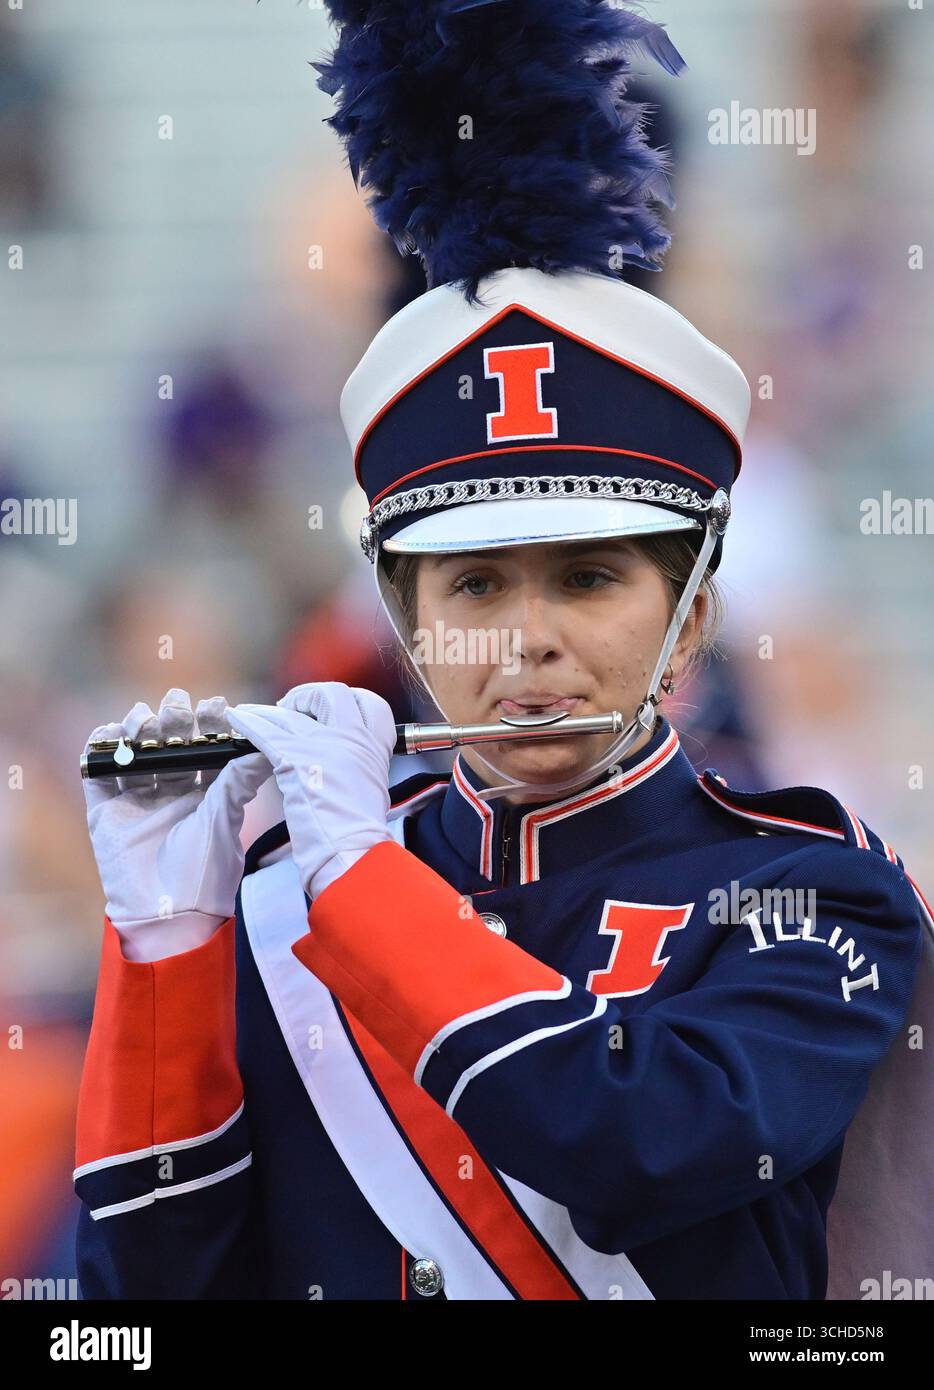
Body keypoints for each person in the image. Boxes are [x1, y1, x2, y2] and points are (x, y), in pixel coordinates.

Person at [74, 0, 931, 1301]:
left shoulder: (819, 895)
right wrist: (168, 958)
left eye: (587, 577)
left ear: (690, 612)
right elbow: (140, 1310)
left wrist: (357, 880)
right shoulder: (280, 913)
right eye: (471, 582)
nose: (524, 637)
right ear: (404, 618)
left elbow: (645, 1143)